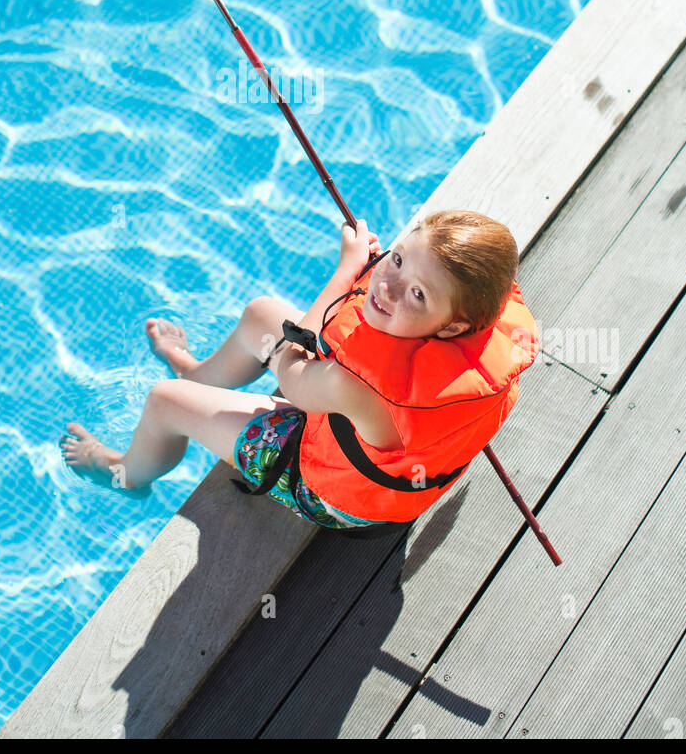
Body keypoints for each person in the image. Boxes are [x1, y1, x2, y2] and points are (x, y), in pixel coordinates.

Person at [60, 210, 539, 532]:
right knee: (261, 313)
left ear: (454, 326)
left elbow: (293, 366)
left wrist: (347, 267)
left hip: (331, 494)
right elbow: (307, 338)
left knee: (163, 401)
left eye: (418, 294)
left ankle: (123, 473)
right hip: (374, 444)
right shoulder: (473, 339)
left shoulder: (356, 384)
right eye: (396, 258)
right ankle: (196, 374)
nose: (388, 286)